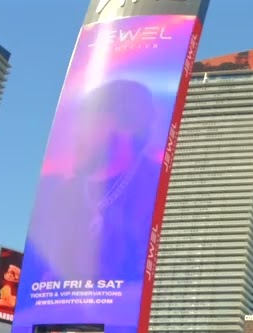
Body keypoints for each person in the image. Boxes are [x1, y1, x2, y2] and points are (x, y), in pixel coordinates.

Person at [23, 79, 163, 295]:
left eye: (89, 121)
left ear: (128, 127)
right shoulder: (60, 195)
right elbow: (31, 277)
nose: (77, 135)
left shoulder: (158, 187)